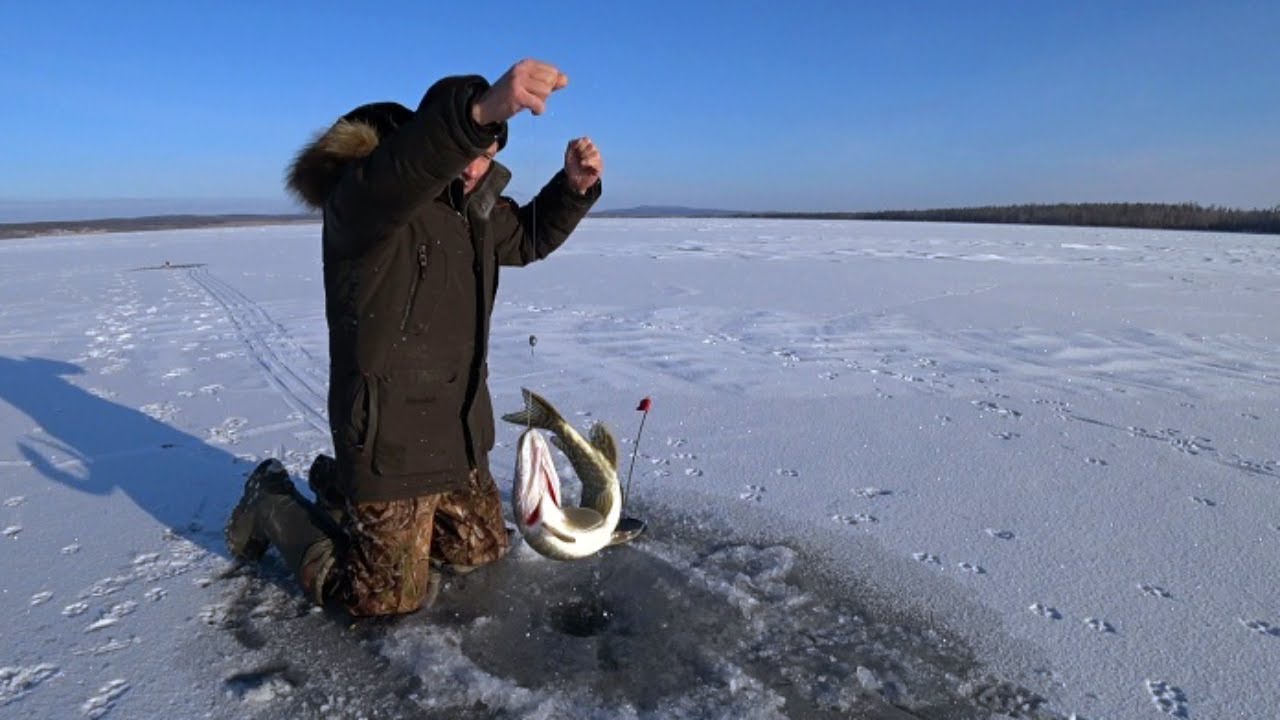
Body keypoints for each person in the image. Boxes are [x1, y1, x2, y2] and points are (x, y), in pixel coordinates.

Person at [224, 59, 603, 617]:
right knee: (382, 599)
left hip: (453, 431)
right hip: (388, 440)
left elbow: (523, 238)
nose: (478, 168)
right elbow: (402, 169)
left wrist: (572, 189)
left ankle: (338, 487)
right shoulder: (368, 203)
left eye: (490, 156)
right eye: (472, 150)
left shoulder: (471, 212)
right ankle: (274, 504)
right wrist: (479, 112)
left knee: (482, 550)